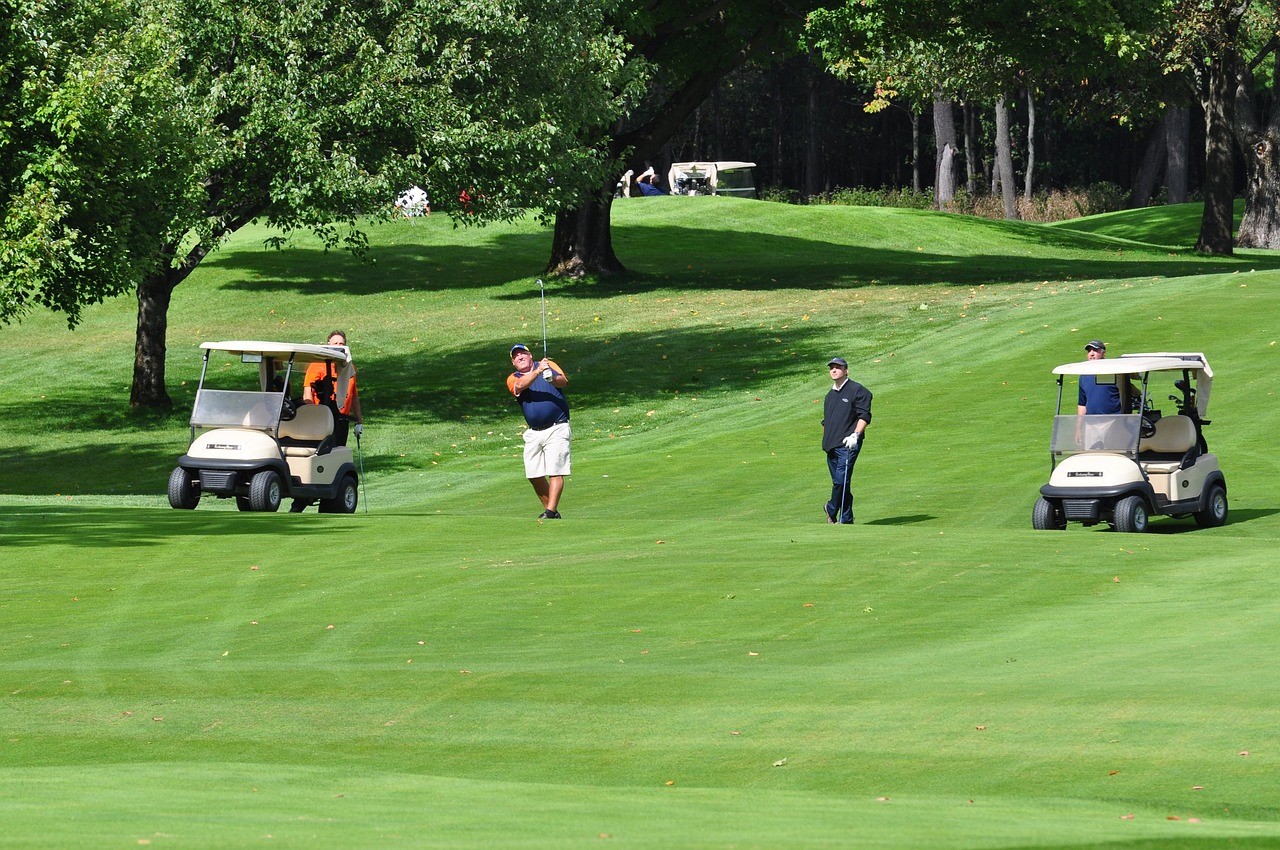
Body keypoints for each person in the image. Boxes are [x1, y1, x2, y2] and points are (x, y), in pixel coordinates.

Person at [506, 343, 571, 519]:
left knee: (555, 470)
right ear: (513, 363)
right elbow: (519, 386)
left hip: (557, 426)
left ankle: (550, 511)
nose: (520, 357)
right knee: (533, 474)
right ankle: (552, 510)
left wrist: (551, 377)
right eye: (516, 356)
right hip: (534, 432)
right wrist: (537, 372)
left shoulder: (548, 364)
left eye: (523, 354)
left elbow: (563, 381)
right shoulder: (513, 377)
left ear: (530, 355)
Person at [821, 357, 872, 525]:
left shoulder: (857, 390)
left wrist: (856, 435)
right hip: (830, 446)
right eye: (832, 368)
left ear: (846, 371)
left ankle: (831, 507)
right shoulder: (829, 396)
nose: (834, 370)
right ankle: (846, 519)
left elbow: (864, 415)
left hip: (848, 445)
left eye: (838, 367)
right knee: (843, 483)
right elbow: (826, 421)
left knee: (840, 480)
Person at [303, 330, 363, 447]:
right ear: (328, 345)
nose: (338, 346)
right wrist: (311, 415)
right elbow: (307, 392)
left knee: (339, 450)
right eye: (335, 344)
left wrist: (359, 421)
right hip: (322, 418)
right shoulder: (316, 365)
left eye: (341, 344)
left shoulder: (349, 368)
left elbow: (353, 396)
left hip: (342, 419)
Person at [1077, 339, 1124, 415]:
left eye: (1095, 350)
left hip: (1112, 421)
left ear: (1103, 353)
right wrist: (1079, 426)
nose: (1091, 354)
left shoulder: (1113, 372)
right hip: (1091, 422)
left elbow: (1125, 396)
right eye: (1089, 351)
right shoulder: (1084, 375)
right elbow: (1082, 404)